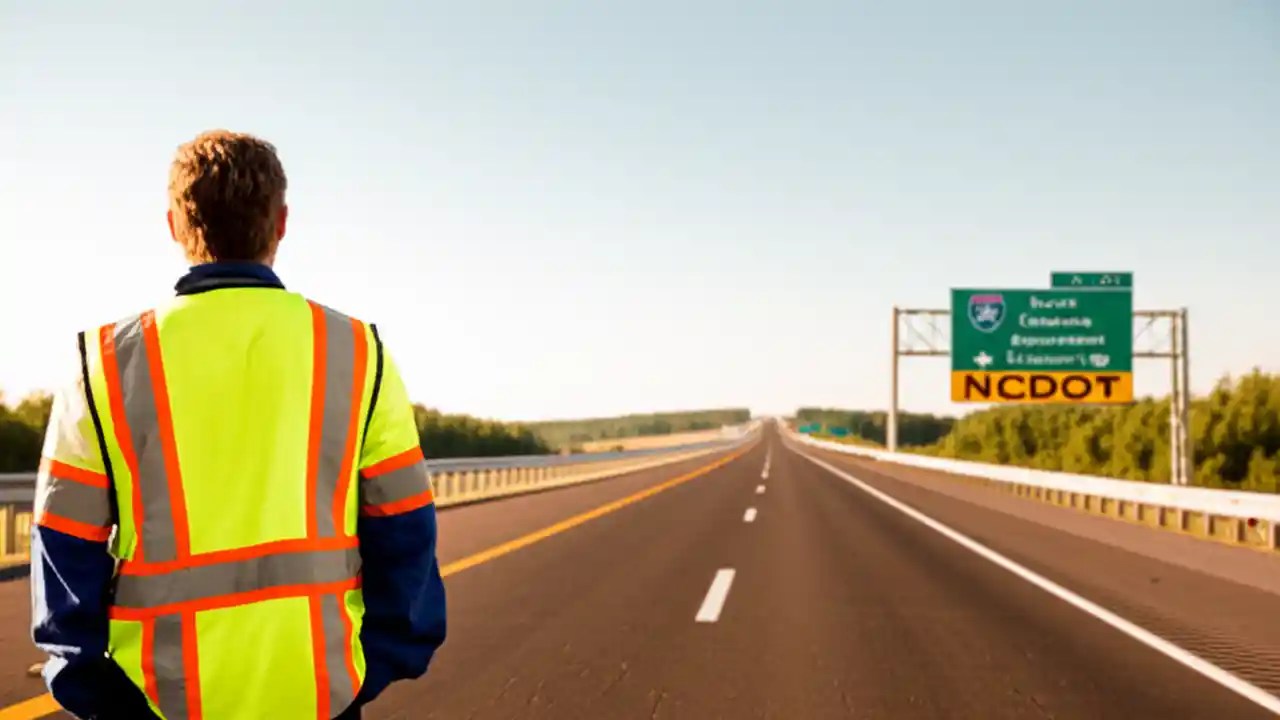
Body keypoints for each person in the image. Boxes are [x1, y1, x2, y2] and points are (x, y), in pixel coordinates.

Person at [30, 130, 448, 719]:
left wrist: (99, 695)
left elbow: (64, 549)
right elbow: (405, 530)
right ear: (281, 222)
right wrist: (373, 666)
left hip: (157, 701)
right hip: (319, 694)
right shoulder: (356, 351)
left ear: (175, 224)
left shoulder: (103, 362)